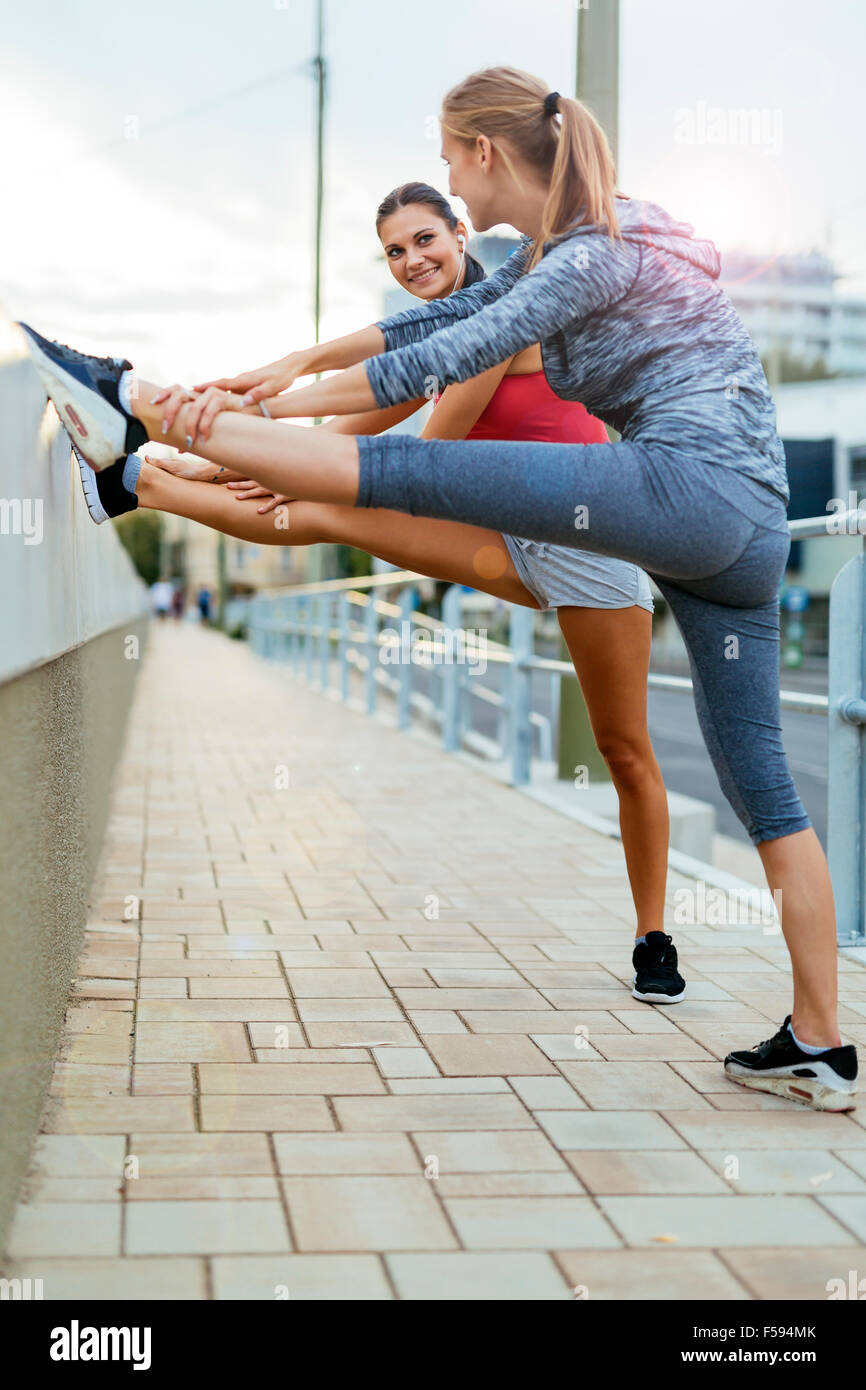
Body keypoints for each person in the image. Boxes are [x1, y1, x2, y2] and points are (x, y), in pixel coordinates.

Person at [18, 66, 856, 1109]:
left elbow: (446, 358)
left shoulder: (585, 255)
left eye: (453, 164)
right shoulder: (585, 239)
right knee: (763, 787)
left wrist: (223, 401)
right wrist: (273, 375)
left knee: (390, 479)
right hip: (744, 531)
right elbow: (418, 333)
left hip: (675, 487)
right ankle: (820, 1043)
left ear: (485, 153)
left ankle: (126, 397)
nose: (454, 197)